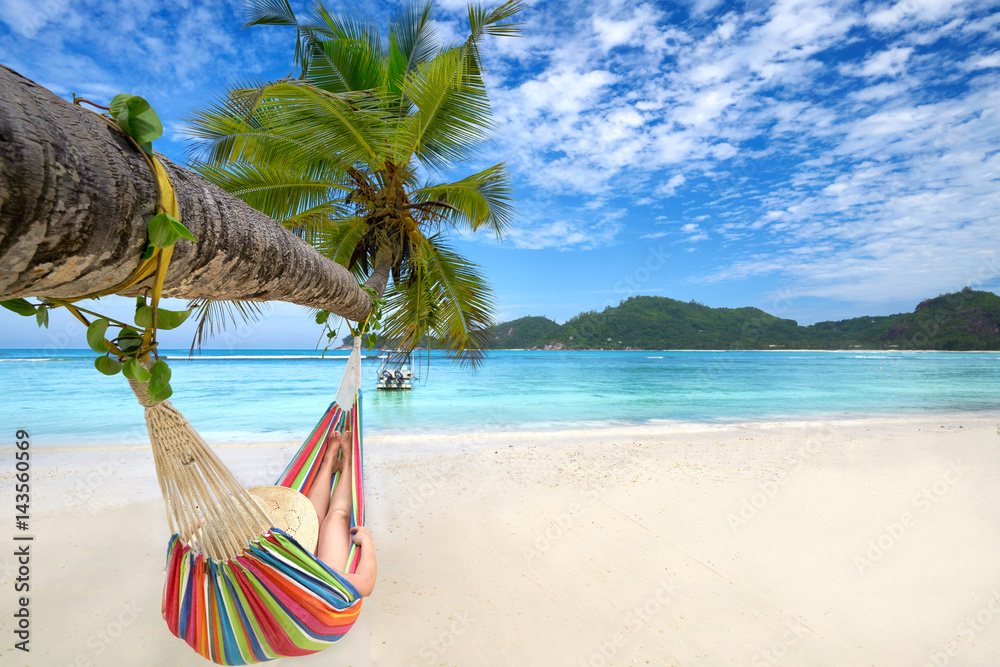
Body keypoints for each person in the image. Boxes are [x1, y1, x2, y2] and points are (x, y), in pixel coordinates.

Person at [306, 427, 377, 597]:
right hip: (318, 587)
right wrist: (367, 542)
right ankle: (347, 464)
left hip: (285, 568)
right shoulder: (330, 581)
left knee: (309, 518)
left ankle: (329, 462)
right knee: (338, 517)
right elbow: (366, 584)